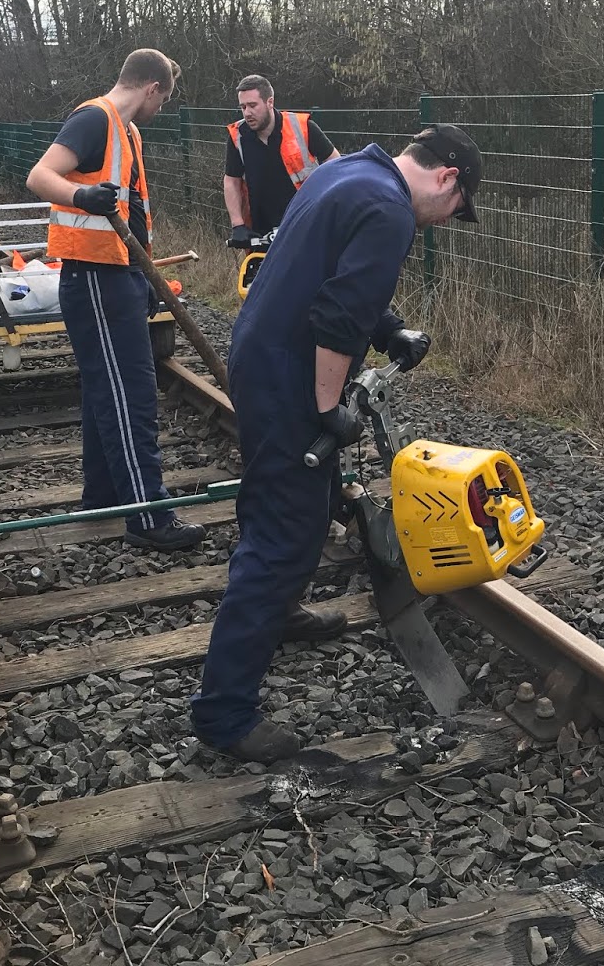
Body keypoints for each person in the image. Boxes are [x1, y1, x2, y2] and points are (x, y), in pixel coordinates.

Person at [191, 124, 484, 762]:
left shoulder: (346, 172)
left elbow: (328, 276)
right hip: (289, 375)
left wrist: (391, 331)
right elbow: (336, 317)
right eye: (453, 212)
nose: (441, 224)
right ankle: (224, 713)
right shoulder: (390, 211)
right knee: (282, 533)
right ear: (448, 179)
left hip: (261, 353)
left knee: (304, 498)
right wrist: (328, 408)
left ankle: (284, 611)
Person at [23, 49, 206, 553]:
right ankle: (148, 516)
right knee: (130, 394)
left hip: (120, 275)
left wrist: (145, 276)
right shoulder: (94, 120)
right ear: (151, 88)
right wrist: (81, 198)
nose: (162, 108)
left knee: (107, 391)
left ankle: (104, 498)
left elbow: (134, 213)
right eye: (163, 99)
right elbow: (41, 176)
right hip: (94, 279)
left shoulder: (129, 133)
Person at [223, 75, 339, 248]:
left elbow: (336, 165)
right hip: (261, 234)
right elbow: (231, 180)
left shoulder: (303, 127)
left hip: (307, 225)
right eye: (243, 107)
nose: (247, 113)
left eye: (253, 105)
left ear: (270, 102)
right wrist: (238, 225)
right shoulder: (238, 136)